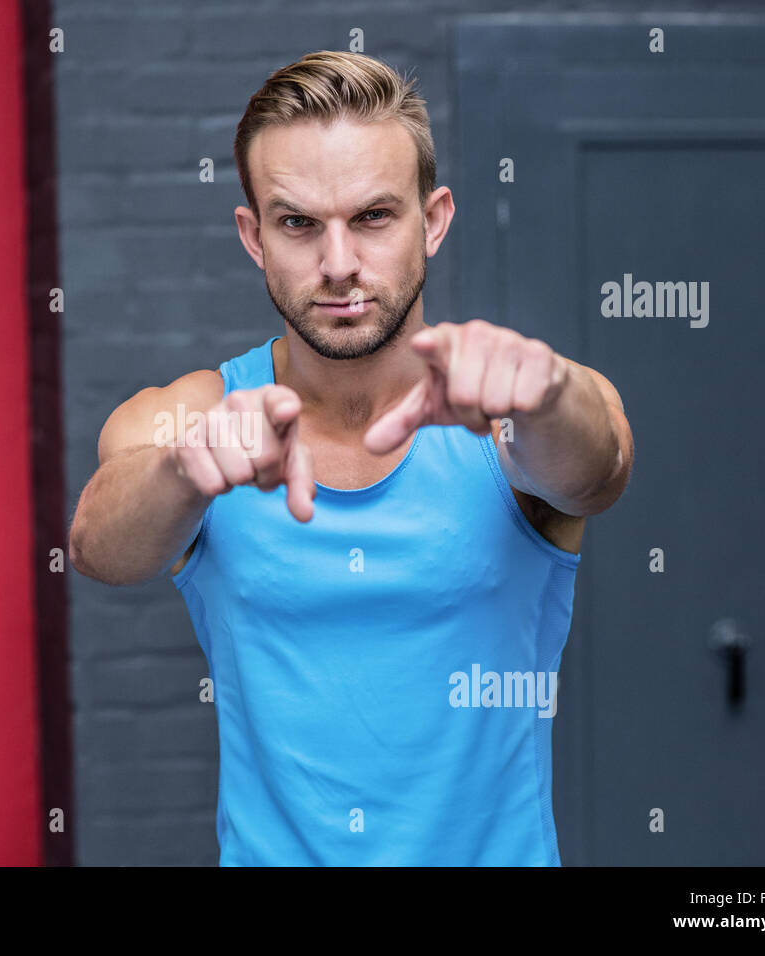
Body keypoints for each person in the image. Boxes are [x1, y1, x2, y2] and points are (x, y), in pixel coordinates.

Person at [68, 50, 634, 865]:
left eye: (372, 216)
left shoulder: (515, 406)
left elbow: (599, 467)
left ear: (432, 220)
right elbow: (97, 545)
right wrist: (184, 471)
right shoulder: (200, 415)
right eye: (298, 224)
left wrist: (546, 398)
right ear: (254, 236)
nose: (338, 265)